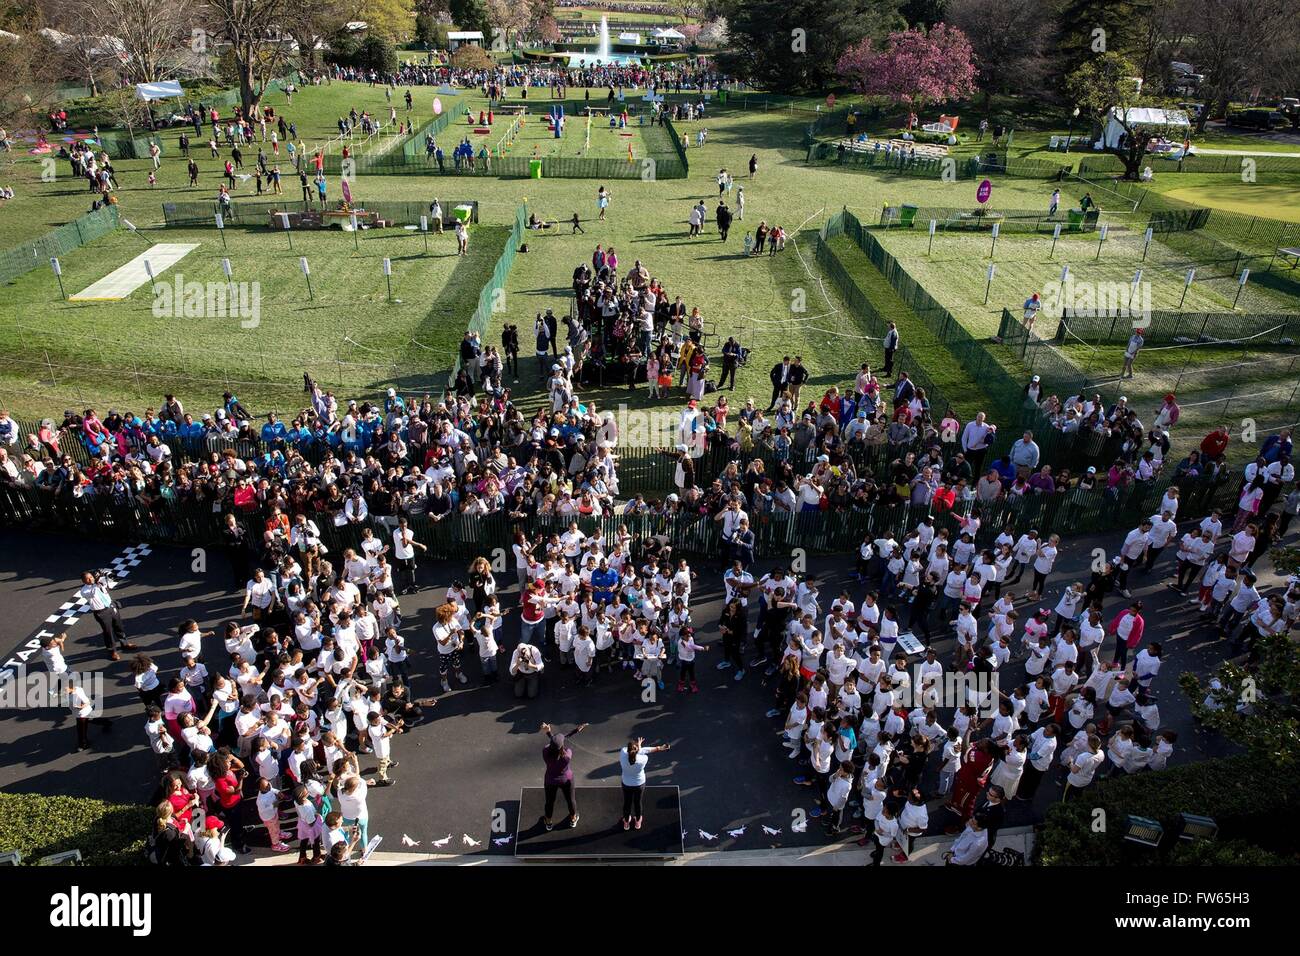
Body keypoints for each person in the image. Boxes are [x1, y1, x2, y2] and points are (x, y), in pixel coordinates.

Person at [540, 721, 589, 830]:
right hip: (566, 780)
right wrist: (576, 730)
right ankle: (573, 819)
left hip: (550, 781)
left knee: (549, 802)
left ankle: (548, 822)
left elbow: (554, 744)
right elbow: (560, 744)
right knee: (571, 800)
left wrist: (549, 733)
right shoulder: (567, 755)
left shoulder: (545, 752)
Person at [80, 570, 136, 661]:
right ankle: (112, 651)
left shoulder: (100, 581)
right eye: (87, 579)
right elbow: (93, 593)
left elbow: (112, 578)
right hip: (101, 612)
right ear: (83, 581)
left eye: (91, 577)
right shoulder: (84, 590)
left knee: (119, 626)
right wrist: (96, 583)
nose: (90, 580)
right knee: (108, 631)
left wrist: (107, 574)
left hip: (111, 606)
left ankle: (124, 643)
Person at [619, 737, 670, 830]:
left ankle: (626, 823)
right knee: (638, 803)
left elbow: (637, 751)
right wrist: (658, 748)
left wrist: (638, 747)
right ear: (637, 750)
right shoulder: (643, 759)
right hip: (639, 784)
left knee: (627, 803)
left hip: (626, 783)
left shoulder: (622, 753)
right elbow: (644, 751)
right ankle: (638, 823)